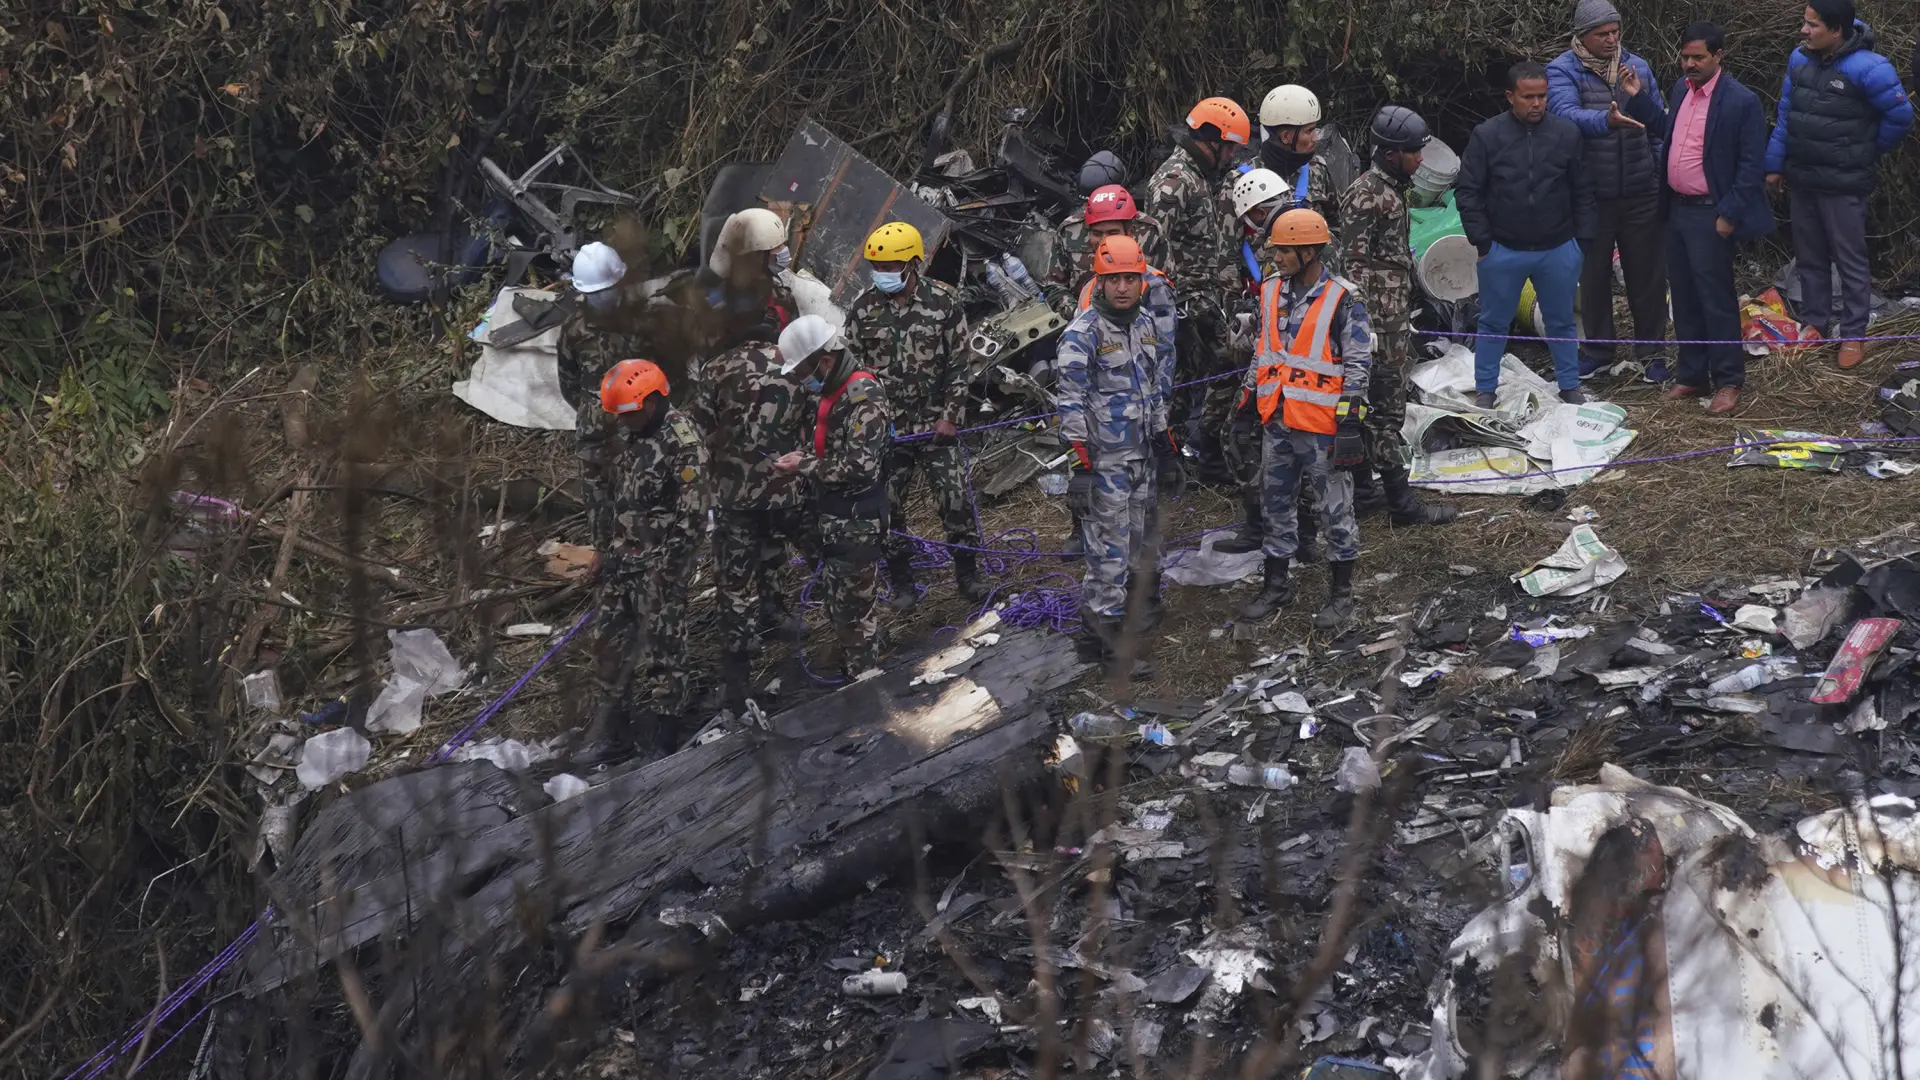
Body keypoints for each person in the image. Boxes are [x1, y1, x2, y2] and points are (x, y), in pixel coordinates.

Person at [1237, 209, 1371, 629]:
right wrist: (1245, 402)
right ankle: (1277, 586)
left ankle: (1342, 593)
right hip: (1276, 417)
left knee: (1335, 508)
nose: (1275, 257)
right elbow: (1264, 349)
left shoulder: (1343, 298)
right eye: (1274, 249)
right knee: (1274, 501)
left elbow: (1358, 365)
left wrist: (1350, 424)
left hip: (1322, 426)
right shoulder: (1271, 289)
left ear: (1310, 251)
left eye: (1283, 250)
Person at [1765, 0, 1915, 369]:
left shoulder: (1870, 68)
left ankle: (1853, 335)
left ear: (1836, 30)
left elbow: (1900, 116)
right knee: (1810, 257)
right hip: (1803, 178)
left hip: (1845, 184)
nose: (1804, 31)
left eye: (1812, 25)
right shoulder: (1799, 60)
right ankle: (1814, 324)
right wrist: (1774, 164)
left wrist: (1863, 151)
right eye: (1805, 23)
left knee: (1850, 262)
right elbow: (1786, 115)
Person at [843, 221, 984, 609]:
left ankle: (968, 576)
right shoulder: (861, 310)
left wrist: (951, 416)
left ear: (914, 264)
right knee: (886, 509)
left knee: (955, 501)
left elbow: (961, 363)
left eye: (891, 267)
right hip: (889, 431)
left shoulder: (943, 301)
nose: (883, 275)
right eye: (878, 267)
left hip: (937, 423)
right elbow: (852, 372)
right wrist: (867, 420)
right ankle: (903, 584)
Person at [1055, 235, 1178, 674]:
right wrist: (1079, 466)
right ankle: (1111, 652)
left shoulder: (1144, 324)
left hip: (1141, 454)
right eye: (1114, 279)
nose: (1123, 287)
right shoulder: (1082, 335)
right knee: (1106, 552)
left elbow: (1153, 386)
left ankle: (1093, 640)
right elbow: (1069, 402)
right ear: (1099, 282)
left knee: (1136, 545)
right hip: (1104, 461)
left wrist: (1165, 443)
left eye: (1130, 278)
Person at [578, 359, 708, 761]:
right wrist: (602, 547)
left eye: (631, 413)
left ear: (652, 402)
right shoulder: (627, 436)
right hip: (621, 561)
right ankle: (615, 738)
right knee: (608, 646)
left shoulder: (683, 442)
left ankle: (664, 738)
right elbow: (609, 496)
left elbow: (693, 517)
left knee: (663, 653)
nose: (624, 421)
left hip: (661, 565)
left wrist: (667, 570)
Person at [1339, 105, 1458, 527]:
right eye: (1413, 152)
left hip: (1391, 316)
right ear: (1391, 154)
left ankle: (1367, 492)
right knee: (1386, 410)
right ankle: (1402, 505)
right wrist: (1363, 325)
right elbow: (1352, 264)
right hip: (1376, 324)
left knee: (1378, 407)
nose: (1421, 160)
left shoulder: (1390, 189)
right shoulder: (1367, 193)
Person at [1458, 62, 1598, 408]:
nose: (1537, 103)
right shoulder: (1487, 136)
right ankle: (1486, 389)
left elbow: (1584, 189)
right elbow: (1468, 191)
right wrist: (1483, 241)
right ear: (1510, 97)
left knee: (1561, 320)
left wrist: (1582, 242)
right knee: (1492, 322)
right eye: (1529, 97)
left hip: (1559, 247)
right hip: (1502, 249)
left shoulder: (1567, 134)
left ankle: (1569, 385)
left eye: (1542, 96)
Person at [684, 321, 808, 710]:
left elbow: (698, 432)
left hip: (735, 494)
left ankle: (738, 675)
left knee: (734, 582)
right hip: (786, 487)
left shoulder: (714, 370)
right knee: (781, 551)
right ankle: (781, 613)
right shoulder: (793, 361)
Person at [1548, 0, 1672, 382]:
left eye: (1615, 31)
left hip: (1639, 189)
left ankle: (1652, 353)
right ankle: (1598, 350)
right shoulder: (1562, 70)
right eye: (1602, 33)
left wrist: (1657, 172)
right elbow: (1564, 114)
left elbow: (1656, 123)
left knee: (1647, 274)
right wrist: (1606, 120)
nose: (1611, 38)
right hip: (1591, 193)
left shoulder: (1638, 67)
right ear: (1582, 34)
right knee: (1594, 275)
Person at [1659, 21, 1774, 413]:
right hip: (1677, 209)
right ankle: (1692, 374)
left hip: (1711, 214)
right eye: (1685, 56)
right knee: (1684, 296)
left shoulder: (1741, 101)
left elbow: (1750, 164)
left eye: (1698, 57)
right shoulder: (1680, 90)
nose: (1689, 64)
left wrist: (1728, 213)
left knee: (1716, 298)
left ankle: (1728, 380)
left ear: (1718, 56)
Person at [772, 316, 892, 680]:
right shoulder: (830, 392)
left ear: (825, 361)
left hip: (857, 518)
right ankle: (859, 654)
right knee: (842, 601)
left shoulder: (864, 395)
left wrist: (803, 465)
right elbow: (831, 445)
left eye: (803, 371)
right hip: (834, 516)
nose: (799, 380)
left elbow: (861, 466)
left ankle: (865, 681)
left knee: (853, 608)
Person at [1147, 96, 1252, 482]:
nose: (1234, 156)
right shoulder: (1175, 183)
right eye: (1231, 147)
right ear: (1211, 140)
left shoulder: (1203, 177)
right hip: (1180, 303)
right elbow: (1153, 249)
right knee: (1178, 384)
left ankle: (1207, 454)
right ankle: (1170, 462)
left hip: (1205, 301)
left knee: (1225, 367)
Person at [559, 241, 647, 549]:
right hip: (595, 431)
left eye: (606, 289)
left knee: (639, 490)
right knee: (597, 494)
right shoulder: (574, 329)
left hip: (638, 425)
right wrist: (592, 408)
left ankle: (637, 549)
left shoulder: (641, 322)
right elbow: (568, 381)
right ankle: (602, 550)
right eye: (594, 292)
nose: (602, 297)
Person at [1045, 184, 1169, 323]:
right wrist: (1078, 314)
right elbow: (1054, 287)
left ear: (1130, 233)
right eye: (1097, 234)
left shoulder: (1151, 234)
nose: (1104, 241)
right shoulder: (1068, 233)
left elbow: (1167, 287)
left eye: (1113, 233)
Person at [1256, 84, 1340, 227]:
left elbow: (1336, 224)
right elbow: (1227, 248)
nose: (1315, 138)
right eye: (1309, 131)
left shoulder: (1318, 170)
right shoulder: (1243, 180)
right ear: (1286, 137)